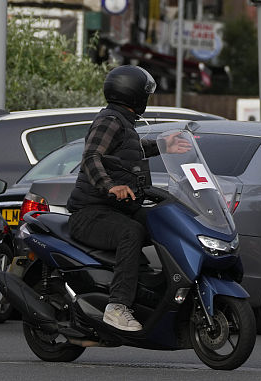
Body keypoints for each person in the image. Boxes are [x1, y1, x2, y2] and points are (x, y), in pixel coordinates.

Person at [65, 65, 189, 332]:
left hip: (116, 210)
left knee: (163, 222)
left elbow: (129, 150)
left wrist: (164, 146)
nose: (147, 99)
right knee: (130, 232)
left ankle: (153, 291)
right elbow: (91, 156)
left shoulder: (123, 123)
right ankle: (117, 307)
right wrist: (110, 186)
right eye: (146, 94)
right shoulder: (109, 120)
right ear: (134, 94)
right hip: (90, 212)